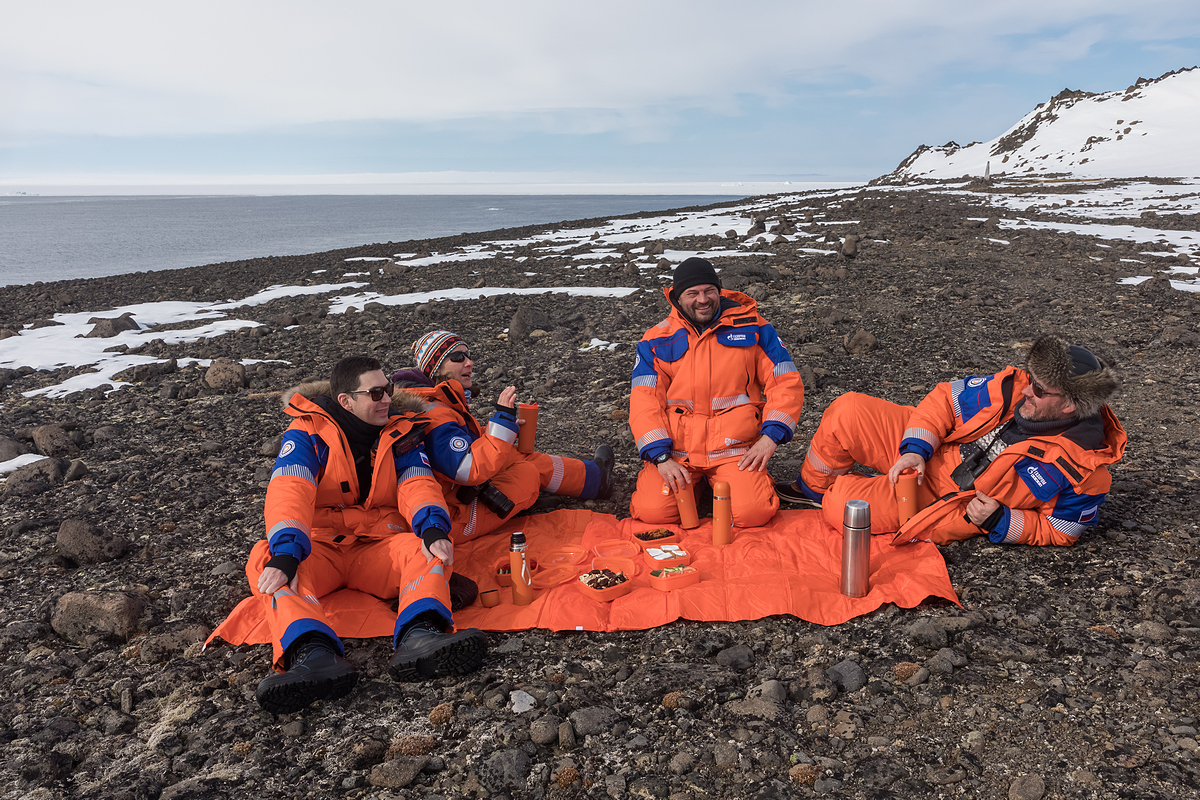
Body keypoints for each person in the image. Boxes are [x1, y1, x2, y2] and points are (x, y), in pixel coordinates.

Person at [249, 356, 487, 715]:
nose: (387, 399)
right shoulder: (307, 434)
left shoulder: (403, 433)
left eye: (388, 390)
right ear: (346, 401)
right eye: (375, 393)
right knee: (268, 565)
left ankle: (421, 635)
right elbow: (289, 491)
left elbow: (417, 484)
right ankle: (311, 653)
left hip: (379, 545)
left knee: (426, 552)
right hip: (322, 545)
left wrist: (433, 527)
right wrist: (286, 553)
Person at [777, 335, 1126, 546]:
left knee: (845, 507)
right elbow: (946, 399)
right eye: (1030, 377)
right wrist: (916, 449)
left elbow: (1062, 530)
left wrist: (1001, 521)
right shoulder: (1010, 387)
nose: (1025, 389)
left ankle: (852, 492)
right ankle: (813, 490)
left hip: (944, 498)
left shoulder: (1085, 469)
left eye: (1037, 387)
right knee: (847, 410)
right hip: (935, 451)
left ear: (1068, 403)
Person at [391, 330, 615, 543]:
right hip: (454, 520)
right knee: (527, 473)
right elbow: (467, 469)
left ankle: (596, 478)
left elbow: (466, 442)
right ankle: (564, 488)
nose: (469, 362)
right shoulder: (434, 412)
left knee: (514, 455)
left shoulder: (434, 401)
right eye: (458, 357)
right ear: (436, 368)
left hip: (457, 497)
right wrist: (501, 423)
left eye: (468, 355)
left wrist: (503, 430)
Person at [628, 257, 804, 527]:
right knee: (653, 514)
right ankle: (697, 485)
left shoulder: (755, 328)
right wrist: (660, 457)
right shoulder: (655, 339)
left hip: (735, 448)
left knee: (754, 514)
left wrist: (770, 438)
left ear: (719, 290)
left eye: (709, 290)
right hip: (677, 452)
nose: (703, 299)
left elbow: (785, 382)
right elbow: (644, 401)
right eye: (692, 293)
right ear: (677, 297)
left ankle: (734, 483)